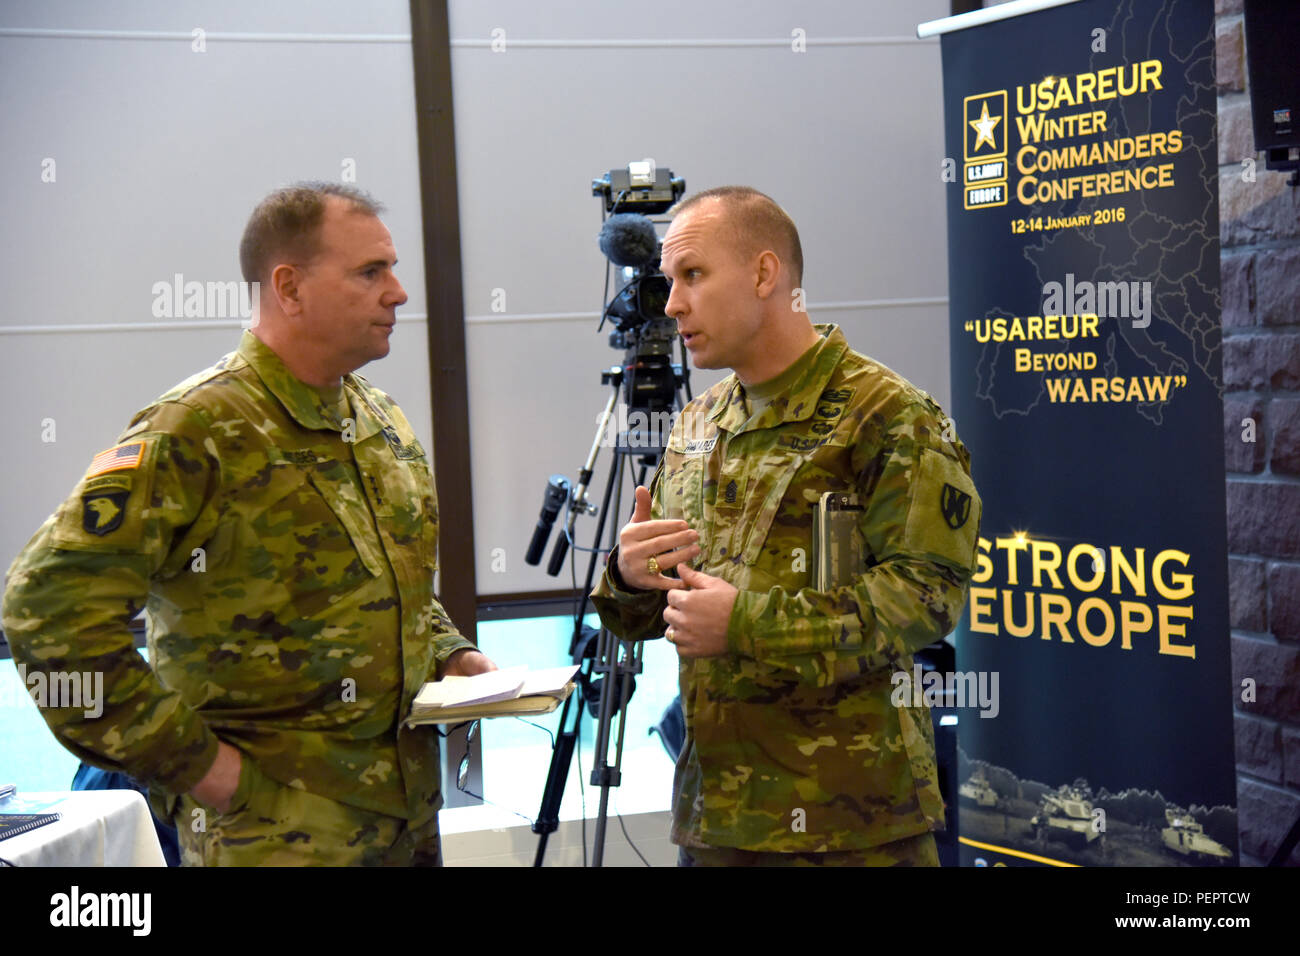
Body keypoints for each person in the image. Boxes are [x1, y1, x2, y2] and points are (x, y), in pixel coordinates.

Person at [1, 183, 495, 865]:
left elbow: (397, 588)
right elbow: (46, 609)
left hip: (405, 824)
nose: (399, 292)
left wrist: (450, 652)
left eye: (393, 268)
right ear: (289, 287)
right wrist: (201, 768)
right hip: (273, 838)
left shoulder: (379, 419)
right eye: (371, 271)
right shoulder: (197, 427)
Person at [590, 186, 981, 866]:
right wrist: (629, 580)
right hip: (718, 820)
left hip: (852, 824)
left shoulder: (888, 416)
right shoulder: (697, 422)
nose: (673, 303)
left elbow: (928, 599)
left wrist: (746, 624)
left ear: (765, 275)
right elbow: (664, 613)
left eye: (692, 275)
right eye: (666, 282)